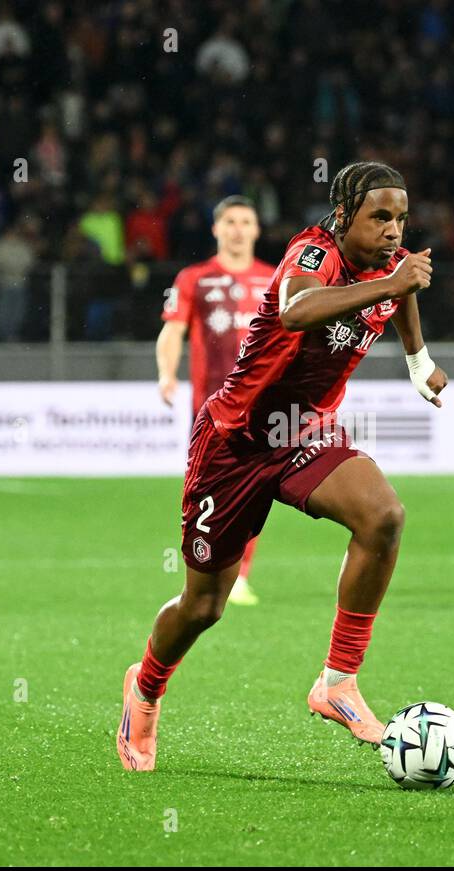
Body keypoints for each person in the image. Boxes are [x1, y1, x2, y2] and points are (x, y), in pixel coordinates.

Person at [117, 161, 447, 771]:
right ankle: (146, 687)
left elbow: (400, 297)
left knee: (384, 517)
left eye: (401, 218)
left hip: (304, 433)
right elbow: (297, 310)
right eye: (380, 216)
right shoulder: (313, 253)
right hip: (233, 443)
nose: (394, 229)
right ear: (346, 215)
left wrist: (417, 362)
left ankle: (338, 682)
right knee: (204, 606)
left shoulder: (384, 269)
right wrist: (394, 282)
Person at [156, 195, 275, 606]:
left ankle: (240, 575)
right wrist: (166, 373)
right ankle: (202, 571)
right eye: (231, 222)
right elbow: (173, 331)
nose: (239, 229)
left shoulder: (276, 279)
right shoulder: (194, 278)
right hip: (211, 410)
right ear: (216, 229)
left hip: (265, 407)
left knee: (257, 490)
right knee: (205, 494)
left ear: (257, 229)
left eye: (246, 221)